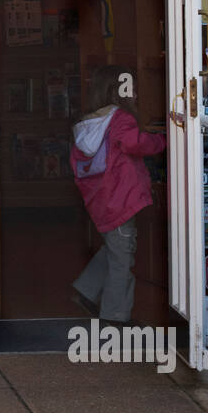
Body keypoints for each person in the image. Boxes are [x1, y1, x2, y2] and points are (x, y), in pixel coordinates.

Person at [70, 65, 166, 324]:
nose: (135, 94)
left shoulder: (88, 123)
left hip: (103, 202)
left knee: (114, 248)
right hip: (121, 201)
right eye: (130, 88)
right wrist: (164, 140)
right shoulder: (121, 119)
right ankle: (115, 319)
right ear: (118, 91)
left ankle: (87, 290)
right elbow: (135, 142)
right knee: (122, 260)